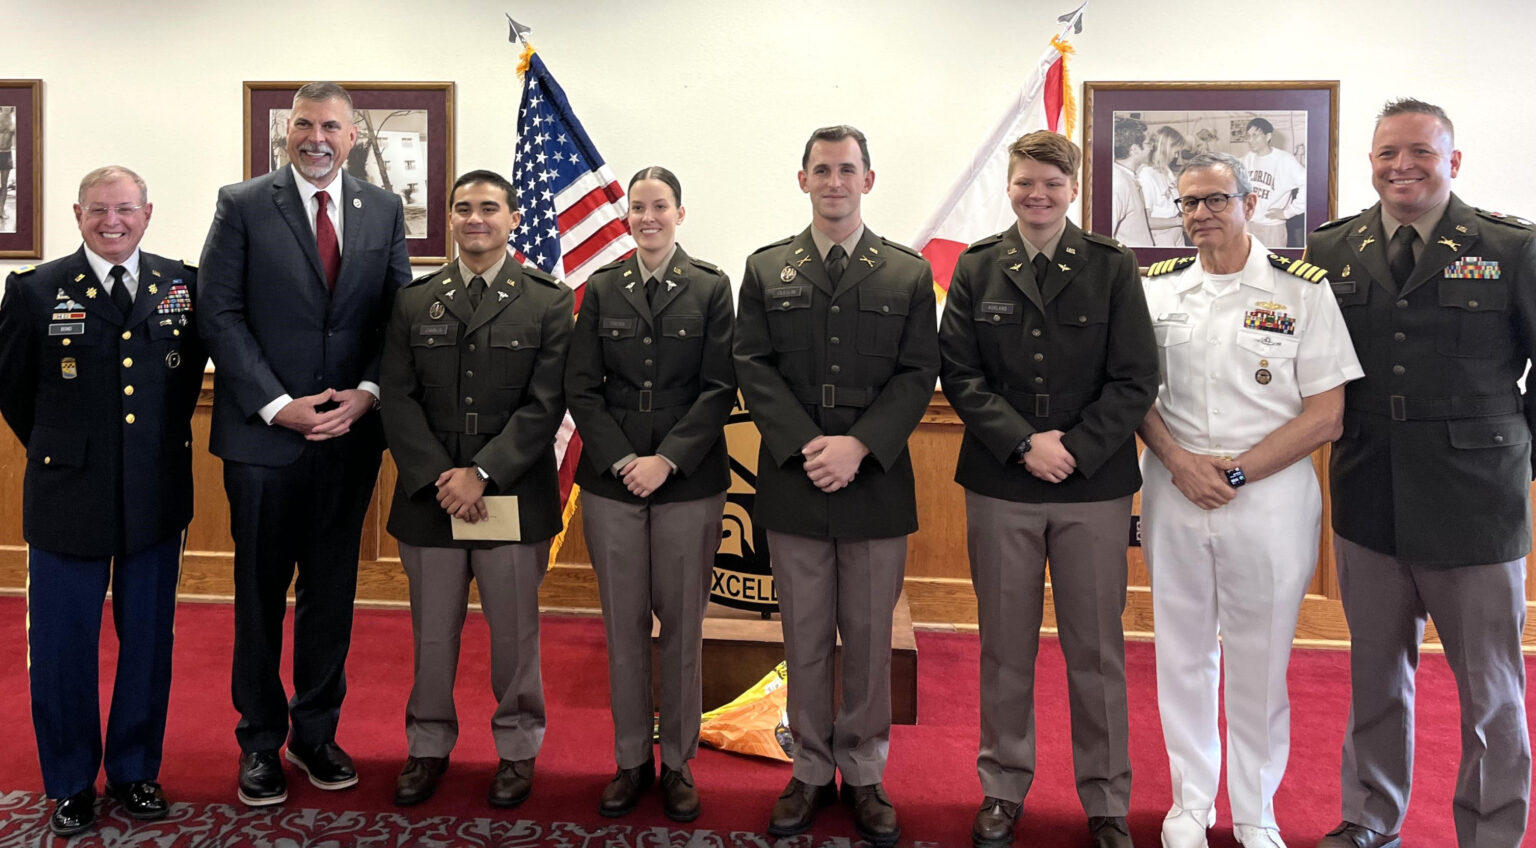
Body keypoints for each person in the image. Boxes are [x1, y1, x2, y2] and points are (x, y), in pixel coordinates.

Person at [1306, 98, 1533, 848]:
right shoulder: (1332, 250)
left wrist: (1518, 451)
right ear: (1370, 163)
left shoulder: (1509, 247)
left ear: (1453, 161)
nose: (1401, 166)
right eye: (1386, 154)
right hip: (1370, 492)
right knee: (1376, 676)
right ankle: (1370, 819)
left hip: (1476, 501)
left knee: (1491, 692)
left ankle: (1492, 834)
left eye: (1420, 153)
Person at [939, 131, 1157, 848]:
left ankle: (1105, 800)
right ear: (1010, 185)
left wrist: (1076, 446)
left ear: (1072, 189)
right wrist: (1023, 442)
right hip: (1003, 480)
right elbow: (961, 376)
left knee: (1096, 650)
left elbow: (1135, 377)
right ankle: (1002, 788)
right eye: (1026, 182)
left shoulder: (1110, 265)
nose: (1038, 195)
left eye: (1052, 185)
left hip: (1091, 486)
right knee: (1005, 645)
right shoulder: (977, 268)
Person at [1139, 152, 1362, 848]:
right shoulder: (1156, 291)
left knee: (1260, 656)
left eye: (1215, 200)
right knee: (1180, 651)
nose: (1200, 214)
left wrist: (1232, 475)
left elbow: (1327, 413)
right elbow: (1133, 394)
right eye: (1188, 203)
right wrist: (1179, 462)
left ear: (1250, 203)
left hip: (1267, 496)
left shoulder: (1302, 291)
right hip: (1175, 489)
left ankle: (1256, 809)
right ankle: (1190, 804)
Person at [199, 81, 412, 806]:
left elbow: (397, 316)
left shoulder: (382, 209)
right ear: (285, 132)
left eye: (331, 126)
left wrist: (369, 392)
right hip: (265, 442)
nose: (316, 137)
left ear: (354, 136)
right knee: (258, 595)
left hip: (349, 439)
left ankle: (315, 732)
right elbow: (218, 312)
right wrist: (277, 404)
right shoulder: (244, 203)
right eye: (303, 125)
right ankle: (258, 741)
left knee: (331, 595)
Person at [733, 125, 939, 847]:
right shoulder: (766, 270)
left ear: (868, 181)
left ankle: (866, 771)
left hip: (874, 483)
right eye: (821, 170)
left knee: (871, 639)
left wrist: (857, 446)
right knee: (805, 635)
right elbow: (753, 366)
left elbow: (918, 374)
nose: (834, 181)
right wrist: (806, 447)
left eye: (847, 169)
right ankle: (811, 771)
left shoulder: (907, 274)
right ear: (802, 180)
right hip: (795, 480)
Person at [0, 166, 205, 835]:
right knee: (62, 648)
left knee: (148, 643)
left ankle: (135, 771)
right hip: (67, 495)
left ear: (148, 213)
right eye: (97, 210)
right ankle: (69, 782)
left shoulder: (183, 284)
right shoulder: (35, 290)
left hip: (155, 492)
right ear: (76, 213)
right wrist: (67, 452)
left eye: (124, 209)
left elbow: (186, 382)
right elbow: (15, 392)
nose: (110, 220)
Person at [379, 169, 573, 810]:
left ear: (514, 217)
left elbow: (547, 404)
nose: (474, 219)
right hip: (433, 499)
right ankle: (428, 745)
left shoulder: (547, 299)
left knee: (515, 635)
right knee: (432, 634)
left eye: (489, 208)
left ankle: (517, 750)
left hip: (508, 498)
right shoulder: (415, 300)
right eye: (462, 208)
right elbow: (399, 399)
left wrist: (481, 474)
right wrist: (443, 478)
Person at [564, 165, 735, 822]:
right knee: (624, 626)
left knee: (683, 629)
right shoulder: (604, 288)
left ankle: (680, 763)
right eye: (638, 207)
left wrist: (665, 461)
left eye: (660, 206)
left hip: (688, 481)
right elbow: (582, 386)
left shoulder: (713, 287)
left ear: (680, 214)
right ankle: (631, 760)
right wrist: (624, 460)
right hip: (613, 482)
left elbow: (720, 387)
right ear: (626, 216)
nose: (648, 217)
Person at [1241, 118, 1306, 248]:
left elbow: (1309, 185)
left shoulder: (1285, 159)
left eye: (1255, 135)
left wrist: (1288, 212)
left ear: (1268, 136)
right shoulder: (1247, 159)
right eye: (1248, 135)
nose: (1250, 139)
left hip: (1272, 227)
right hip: (1247, 225)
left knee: (1272, 266)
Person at [1138, 126, 1188, 247]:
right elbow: (1146, 221)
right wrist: (1180, 221)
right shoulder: (1147, 175)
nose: (1176, 157)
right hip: (1161, 234)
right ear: (1165, 148)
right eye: (1175, 152)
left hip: (1176, 230)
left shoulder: (1166, 170)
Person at [1111, 116, 1154, 247]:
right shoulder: (1118, 182)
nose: (1152, 148)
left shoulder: (1128, 176)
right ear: (1134, 149)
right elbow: (1104, 238)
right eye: (1148, 144)